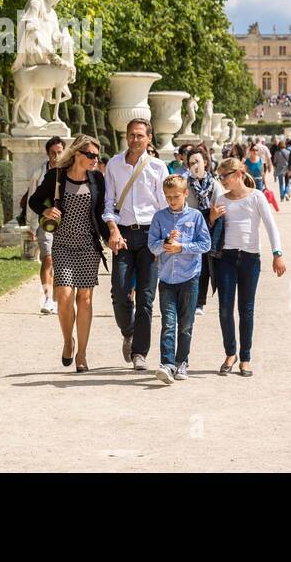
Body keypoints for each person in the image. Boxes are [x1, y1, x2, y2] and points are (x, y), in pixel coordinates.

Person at [27, 135, 108, 371]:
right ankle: (67, 341)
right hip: (61, 244)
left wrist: (112, 234)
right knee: (63, 297)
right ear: (77, 155)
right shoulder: (56, 176)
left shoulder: (97, 180)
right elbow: (34, 201)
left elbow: (102, 212)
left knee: (85, 299)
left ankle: (82, 354)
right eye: (90, 155)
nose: (95, 160)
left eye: (97, 155)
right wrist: (47, 210)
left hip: (89, 247)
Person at [102, 118, 171, 370]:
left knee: (146, 297)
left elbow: (165, 207)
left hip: (150, 236)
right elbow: (109, 203)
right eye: (131, 135)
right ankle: (128, 331)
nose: (135, 139)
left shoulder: (157, 167)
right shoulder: (114, 165)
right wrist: (112, 230)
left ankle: (139, 353)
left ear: (149, 138)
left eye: (140, 135)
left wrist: (163, 241)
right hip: (122, 235)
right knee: (119, 292)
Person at [209, 158, 285, 377]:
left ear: (238, 174)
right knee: (224, 308)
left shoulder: (256, 196)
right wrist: (212, 217)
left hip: (250, 258)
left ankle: (246, 358)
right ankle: (230, 352)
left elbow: (271, 226)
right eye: (220, 177)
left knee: (246, 309)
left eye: (224, 176)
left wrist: (277, 253)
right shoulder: (222, 198)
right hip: (226, 258)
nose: (221, 181)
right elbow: (211, 228)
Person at [146, 175, 211, 384]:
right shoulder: (159, 218)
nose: (172, 200)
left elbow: (205, 245)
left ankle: (182, 361)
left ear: (186, 194)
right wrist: (166, 242)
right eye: (168, 197)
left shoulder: (196, 216)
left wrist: (181, 247)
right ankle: (167, 364)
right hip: (166, 279)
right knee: (168, 323)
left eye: (176, 196)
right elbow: (152, 246)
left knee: (185, 324)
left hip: (189, 278)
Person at [29, 136, 65, 314]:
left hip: (66, 225)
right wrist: (31, 225)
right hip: (44, 224)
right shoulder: (39, 172)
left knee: (61, 263)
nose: (56, 156)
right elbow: (31, 199)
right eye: (53, 153)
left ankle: (58, 300)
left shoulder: (70, 172)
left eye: (59, 152)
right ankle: (48, 298)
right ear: (47, 153)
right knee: (48, 259)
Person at [184, 149, 217, 316]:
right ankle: (186, 300)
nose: (195, 165)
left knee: (204, 266)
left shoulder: (214, 183)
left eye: (198, 161)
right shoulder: (184, 182)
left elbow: (220, 205)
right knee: (188, 263)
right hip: (189, 224)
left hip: (209, 224)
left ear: (206, 161)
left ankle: (199, 302)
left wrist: (213, 217)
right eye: (191, 163)